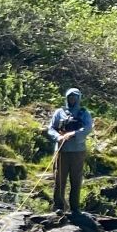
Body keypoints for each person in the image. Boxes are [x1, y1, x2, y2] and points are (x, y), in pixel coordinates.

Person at [45, 87, 93, 215]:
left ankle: (75, 208)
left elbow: (88, 128)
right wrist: (58, 137)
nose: (72, 99)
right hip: (62, 151)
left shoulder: (84, 113)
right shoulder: (59, 112)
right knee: (59, 179)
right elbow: (51, 129)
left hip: (78, 151)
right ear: (67, 98)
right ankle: (59, 206)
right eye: (70, 97)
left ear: (78, 99)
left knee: (76, 180)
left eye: (75, 97)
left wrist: (73, 134)